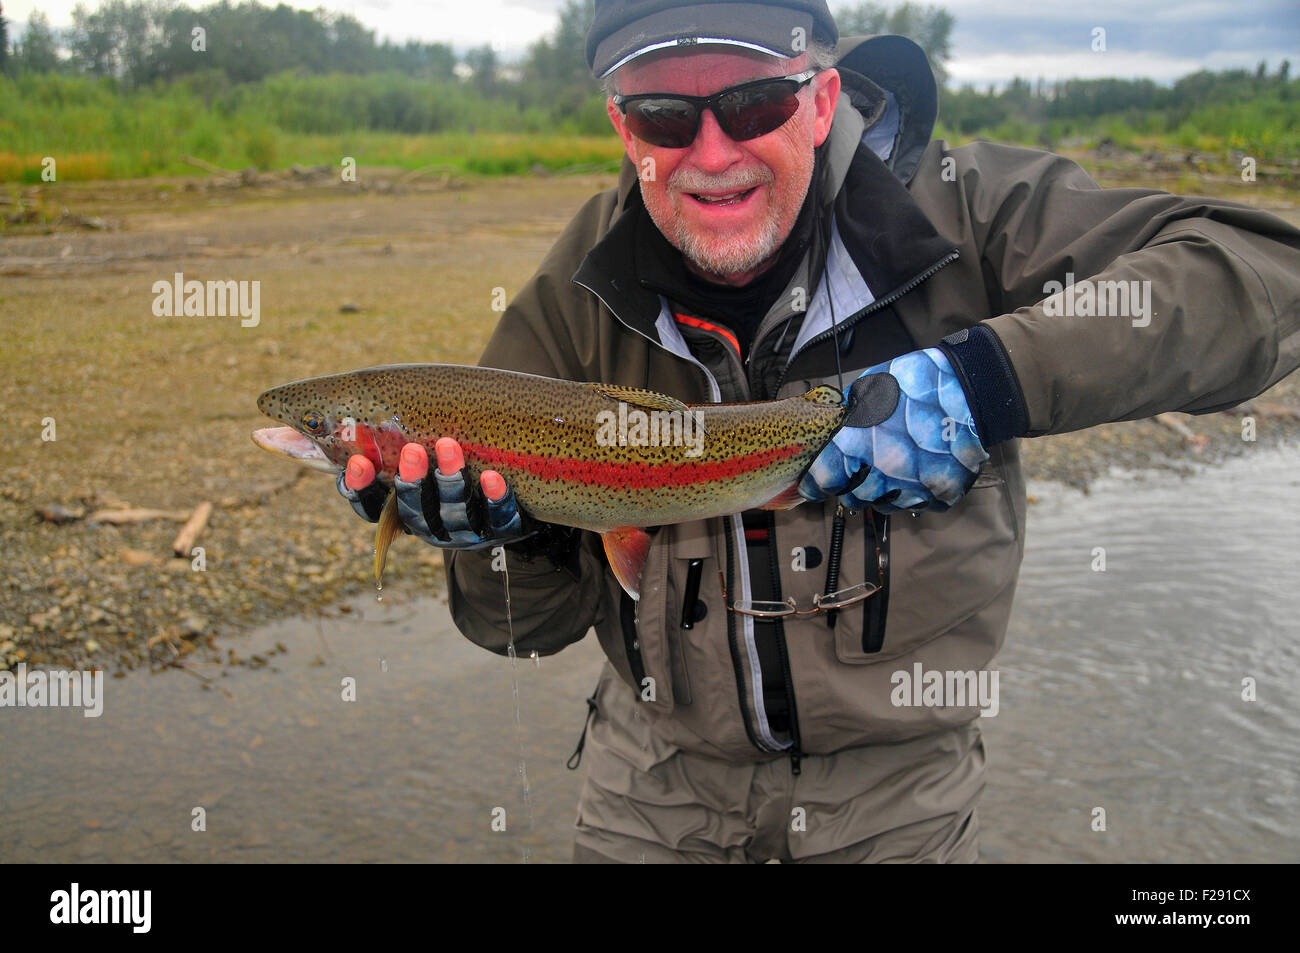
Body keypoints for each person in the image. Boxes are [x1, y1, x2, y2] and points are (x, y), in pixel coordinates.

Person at [339, 0, 1300, 862]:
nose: (712, 154)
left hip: (901, 797)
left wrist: (993, 379)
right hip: (653, 787)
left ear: (822, 95)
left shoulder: (968, 211)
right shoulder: (571, 297)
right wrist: (508, 540)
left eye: (755, 104)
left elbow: (1260, 274)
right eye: (666, 118)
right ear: (621, 126)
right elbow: (524, 633)